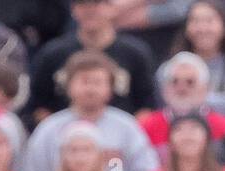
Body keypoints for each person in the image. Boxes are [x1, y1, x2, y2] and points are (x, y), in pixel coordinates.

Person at [22, 50, 157, 171]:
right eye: (85, 81)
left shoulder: (127, 127)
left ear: (111, 87)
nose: (91, 89)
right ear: (68, 85)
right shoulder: (49, 129)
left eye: (97, 82)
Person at [28, 0, 158, 122]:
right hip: (65, 137)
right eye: (83, 4)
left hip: (120, 140)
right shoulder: (53, 53)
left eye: (97, 4)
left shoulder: (135, 53)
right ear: (73, 9)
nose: (90, 11)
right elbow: (39, 106)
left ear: (112, 8)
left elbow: (147, 105)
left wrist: (126, 134)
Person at [138, 52, 225, 166]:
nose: (181, 88)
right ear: (164, 88)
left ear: (205, 88)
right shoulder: (145, 128)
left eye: (190, 82)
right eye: (175, 81)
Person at [172, 0, 225, 119]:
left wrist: (205, 99)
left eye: (209, 21)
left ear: (224, 26)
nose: (202, 28)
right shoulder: (172, 70)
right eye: (195, 21)